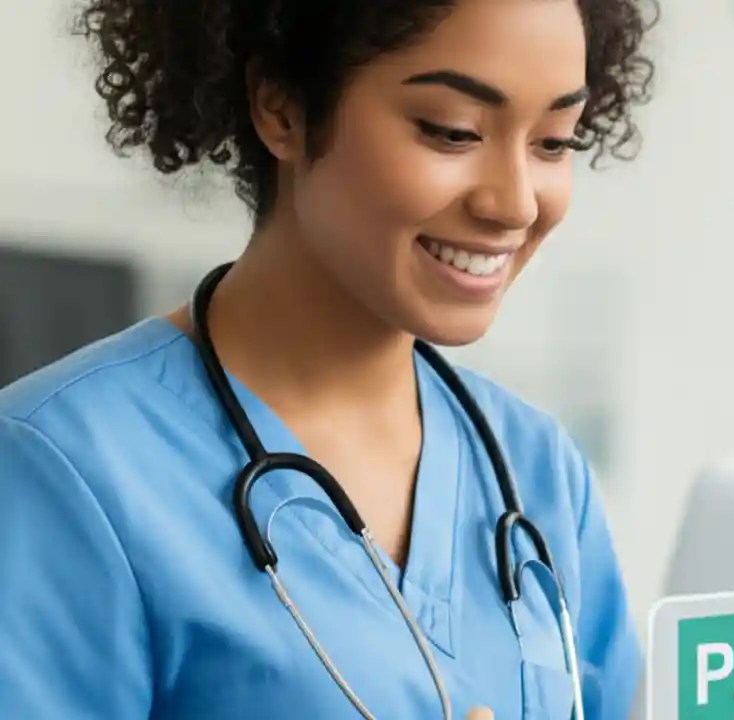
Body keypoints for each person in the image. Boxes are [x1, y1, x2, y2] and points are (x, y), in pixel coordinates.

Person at [0, 0, 655, 717]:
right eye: (453, 131)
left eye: (554, 142)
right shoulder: (62, 467)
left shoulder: (538, 472)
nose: (516, 204)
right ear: (281, 106)